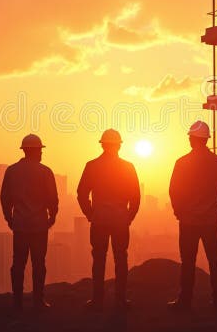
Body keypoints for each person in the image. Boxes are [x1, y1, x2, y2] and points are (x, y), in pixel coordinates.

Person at [167, 121, 217, 311]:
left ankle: (185, 302)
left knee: (188, 262)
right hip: (211, 222)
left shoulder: (182, 163)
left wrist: (179, 211)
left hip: (189, 222)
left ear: (191, 139)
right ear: (206, 140)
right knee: (215, 262)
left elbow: (174, 190)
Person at [77, 129, 140, 311]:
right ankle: (120, 299)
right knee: (121, 259)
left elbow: (82, 193)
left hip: (99, 220)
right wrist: (129, 216)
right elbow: (135, 196)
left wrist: (90, 214)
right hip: (120, 220)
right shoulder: (127, 167)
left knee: (98, 259)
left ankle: (98, 300)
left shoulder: (92, 166)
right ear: (119, 145)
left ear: (103, 145)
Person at [0, 134, 58, 311]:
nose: (41, 153)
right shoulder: (45, 171)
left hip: (20, 225)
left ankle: (17, 302)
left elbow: (5, 198)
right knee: (39, 264)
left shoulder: (12, 171)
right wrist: (52, 217)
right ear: (35, 150)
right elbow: (52, 199)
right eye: (40, 150)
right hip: (39, 226)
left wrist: (9, 218)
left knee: (18, 263)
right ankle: (38, 301)